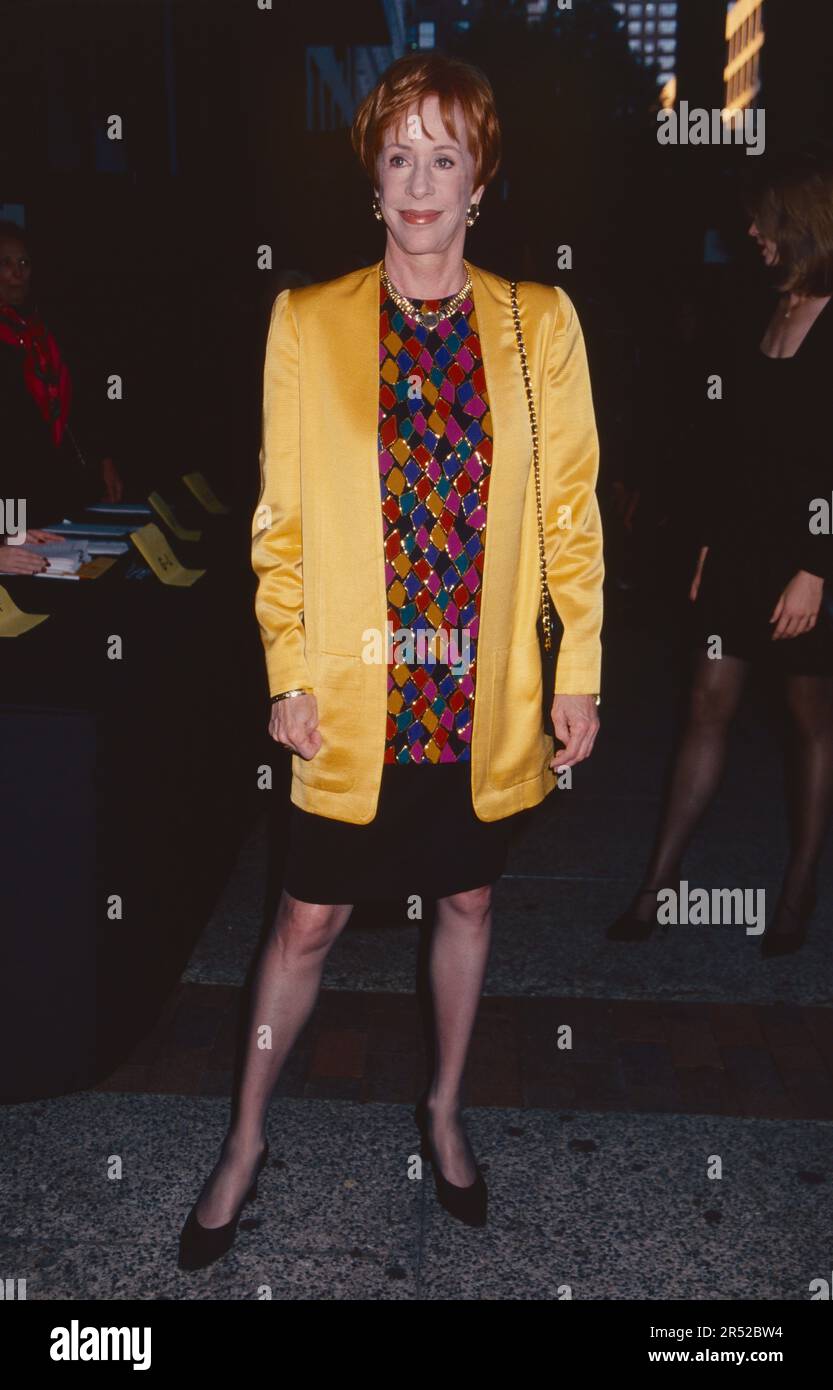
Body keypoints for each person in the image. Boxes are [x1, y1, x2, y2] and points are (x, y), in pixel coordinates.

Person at [178, 51, 604, 1270]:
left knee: (468, 896)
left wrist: (575, 669)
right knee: (307, 919)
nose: (420, 181)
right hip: (358, 689)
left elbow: (569, 508)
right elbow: (283, 525)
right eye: (399, 156)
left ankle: (445, 1109)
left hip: (478, 695)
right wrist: (289, 670)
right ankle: (246, 1141)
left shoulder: (540, 325)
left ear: (480, 183)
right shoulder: (306, 324)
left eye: (445, 156)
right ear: (373, 180)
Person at [608, 147, 833, 957]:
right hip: (741, 541)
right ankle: (656, 885)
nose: (749, 232)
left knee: (810, 721)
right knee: (706, 703)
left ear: (797, 220)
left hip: (813, 550)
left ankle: (798, 891)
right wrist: (707, 541)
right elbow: (728, 445)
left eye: (761, 219)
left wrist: (815, 568)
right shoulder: (759, 308)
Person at [0, 221, 124, 574]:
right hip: (10, 492)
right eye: (5, 264)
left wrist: (104, 459)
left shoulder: (45, 329)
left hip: (56, 481)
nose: (17, 273)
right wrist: (6, 530)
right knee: (23, 570)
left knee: (70, 563)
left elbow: (81, 400)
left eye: (23, 263)